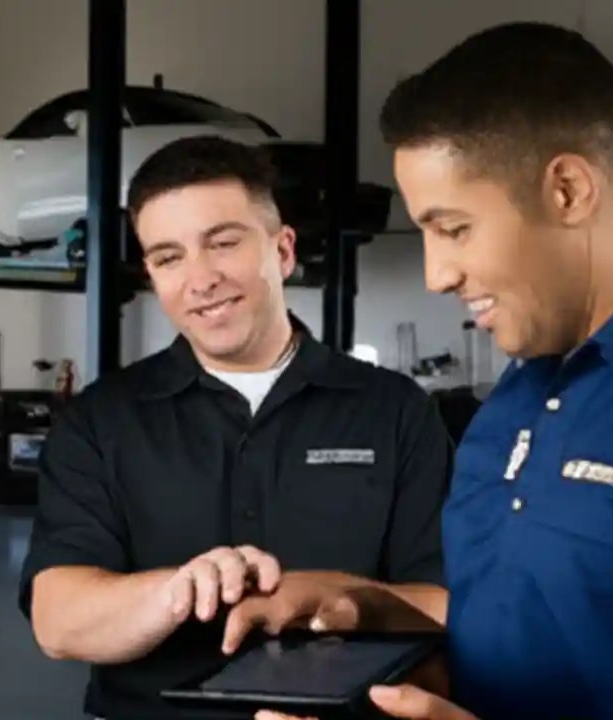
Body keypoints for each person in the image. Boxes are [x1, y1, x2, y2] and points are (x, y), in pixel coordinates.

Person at [234, 21, 613, 720]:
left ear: (567, 190)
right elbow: (511, 646)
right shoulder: (510, 408)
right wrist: (366, 614)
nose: (437, 274)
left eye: (454, 227)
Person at [17, 135, 452, 719]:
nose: (200, 279)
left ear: (284, 250)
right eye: (169, 258)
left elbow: (442, 602)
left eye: (222, 243)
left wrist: (339, 598)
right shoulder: (102, 421)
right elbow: (57, 622)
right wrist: (179, 590)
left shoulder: (395, 410)